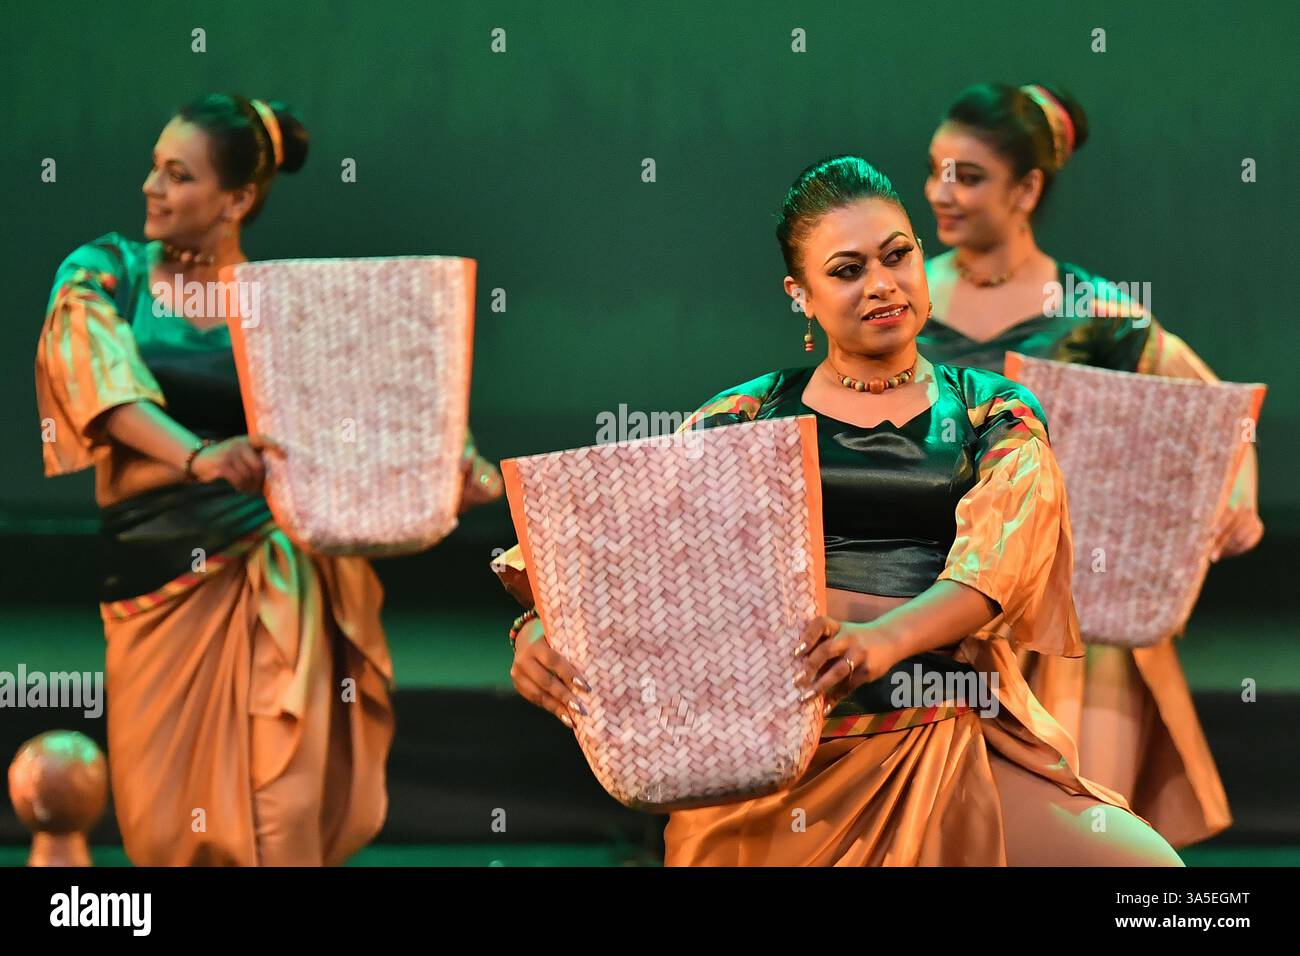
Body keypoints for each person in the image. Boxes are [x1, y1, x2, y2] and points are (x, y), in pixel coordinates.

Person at [495, 156, 1182, 865]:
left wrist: (883, 641)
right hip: (770, 758)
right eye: (847, 270)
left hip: (933, 732)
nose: (881, 284)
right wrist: (534, 622)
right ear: (802, 295)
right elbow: (606, 539)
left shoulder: (990, 409)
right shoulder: (748, 413)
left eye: (897, 255)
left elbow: (998, 568)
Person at [34, 93, 502, 865]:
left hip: (278, 573)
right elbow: (100, 388)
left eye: (177, 175)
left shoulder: (282, 303)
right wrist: (198, 455)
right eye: (154, 168)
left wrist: (450, 465)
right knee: (164, 826)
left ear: (238, 198)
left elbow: (372, 408)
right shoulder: (103, 273)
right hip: (159, 579)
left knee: (282, 800)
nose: (151, 186)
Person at [919, 82, 1260, 847]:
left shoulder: (1094, 311)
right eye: (935, 169)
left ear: (1027, 187)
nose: (940, 192)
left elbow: (1224, 413)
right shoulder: (904, 297)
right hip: (937, 601)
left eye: (967, 175)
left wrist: (1239, 496)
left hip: (1063, 617)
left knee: (1075, 831)